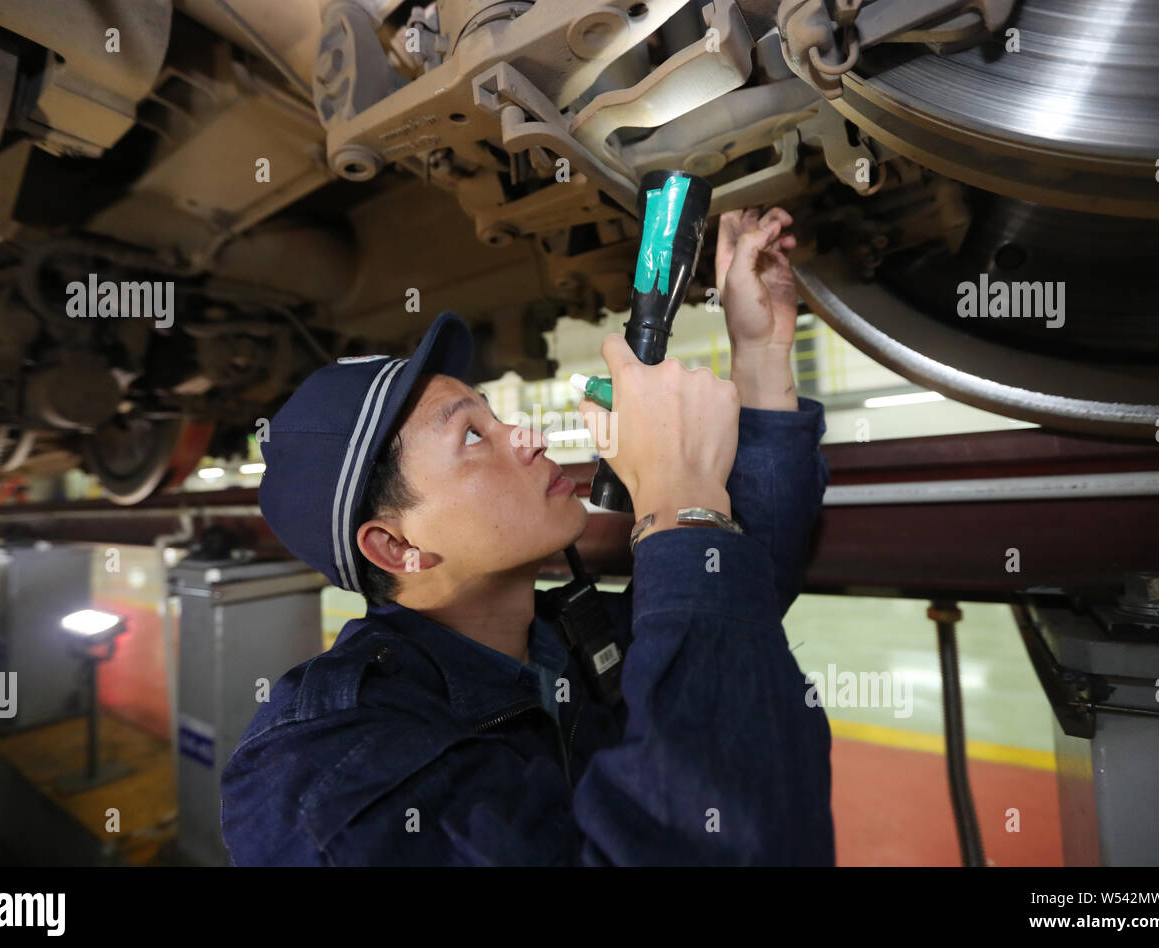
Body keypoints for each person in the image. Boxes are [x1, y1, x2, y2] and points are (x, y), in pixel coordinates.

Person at [220, 206, 834, 865]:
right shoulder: (326, 780)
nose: (529, 436)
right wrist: (675, 498)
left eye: (494, 413)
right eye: (473, 436)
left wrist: (763, 351)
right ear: (398, 548)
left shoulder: (566, 641)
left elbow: (740, 592)